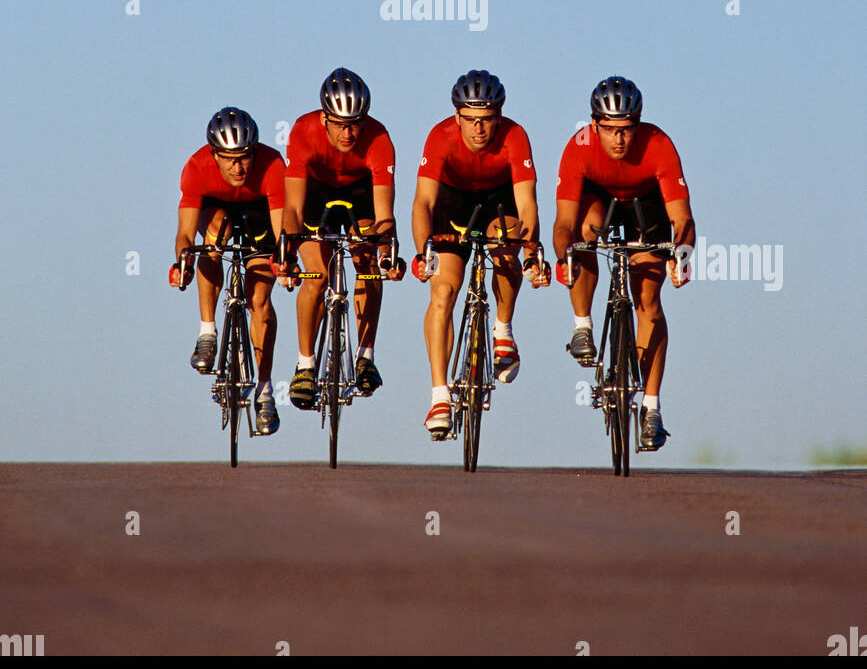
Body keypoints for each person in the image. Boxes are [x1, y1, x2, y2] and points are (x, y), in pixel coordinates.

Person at [552, 76, 695, 450]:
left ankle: (651, 408)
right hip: (600, 199)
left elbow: (682, 218)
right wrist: (564, 257)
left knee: (648, 299)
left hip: (645, 205)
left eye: (627, 130)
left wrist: (681, 253)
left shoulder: (659, 144)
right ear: (595, 125)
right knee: (583, 234)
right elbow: (564, 223)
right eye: (611, 130)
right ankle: (582, 326)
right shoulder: (579, 147)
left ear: (639, 124)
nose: (619, 139)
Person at [412, 70, 548, 439]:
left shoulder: (515, 136)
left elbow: (527, 203)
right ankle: (440, 395)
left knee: (507, 244)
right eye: (471, 120)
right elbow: (423, 202)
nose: (479, 130)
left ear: (499, 117)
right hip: (451, 205)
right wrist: (423, 251)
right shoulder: (439, 137)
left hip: (497, 203)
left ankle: (502, 328)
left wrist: (531, 250)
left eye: (487, 120)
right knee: (443, 293)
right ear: (457, 117)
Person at [278, 68, 403, 409]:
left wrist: (387, 248)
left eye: (356, 123)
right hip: (316, 195)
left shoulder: (378, 138)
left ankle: (364, 356)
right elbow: (292, 207)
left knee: (368, 264)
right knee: (316, 276)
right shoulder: (303, 132)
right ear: (324, 119)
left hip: (360, 194)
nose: (349, 132)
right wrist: (286, 249)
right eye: (341, 123)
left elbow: (384, 215)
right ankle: (305, 366)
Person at [169, 107, 285, 435]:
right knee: (212, 237)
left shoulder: (273, 165)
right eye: (229, 158)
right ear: (214, 155)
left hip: (259, 213)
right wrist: (183, 263)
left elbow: (281, 233)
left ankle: (264, 391)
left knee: (259, 299)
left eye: (245, 157)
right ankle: (208, 332)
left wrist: (285, 261)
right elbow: (184, 235)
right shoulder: (196, 167)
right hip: (217, 211)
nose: (238, 166)